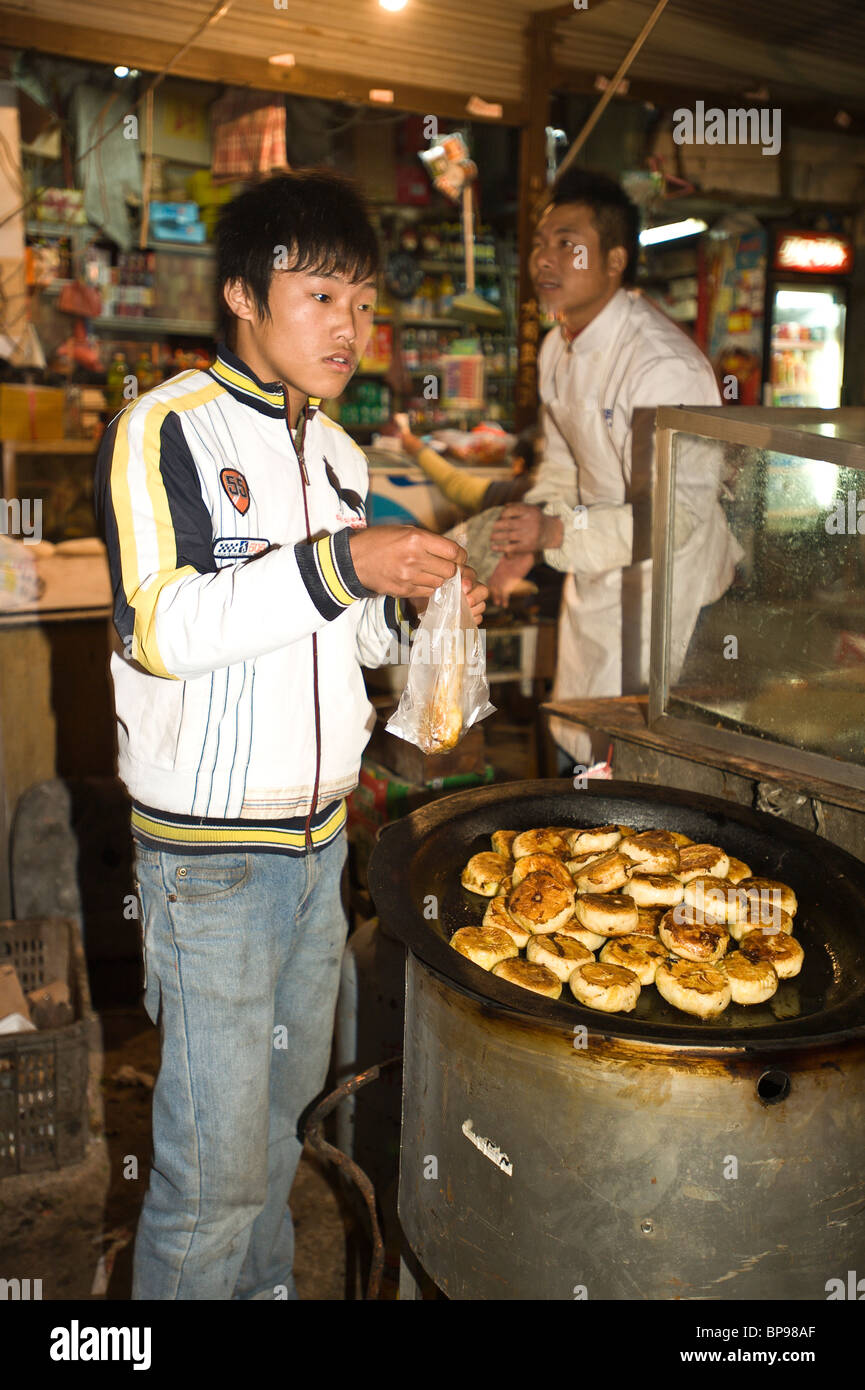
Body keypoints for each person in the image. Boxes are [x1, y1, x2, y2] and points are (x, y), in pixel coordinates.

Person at [95, 170, 486, 1301]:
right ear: (242, 298)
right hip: (210, 865)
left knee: (274, 1149)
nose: (349, 328)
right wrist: (340, 565)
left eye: (362, 303)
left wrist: (405, 599)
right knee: (210, 1179)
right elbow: (158, 627)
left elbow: (344, 642)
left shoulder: (339, 456)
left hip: (320, 855)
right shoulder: (163, 426)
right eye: (319, 295)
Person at [490, 168, 741, 769]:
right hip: (595, 567)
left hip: (670, 587)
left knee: (643, 762)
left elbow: (673, 518)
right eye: (541, 243)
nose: (545, 259)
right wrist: (534, 537)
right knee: (584, 737)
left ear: (614, 261)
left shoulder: (663, 367)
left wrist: (555, 533)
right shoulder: (558, 347)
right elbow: (561, 465)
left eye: (567, 244)